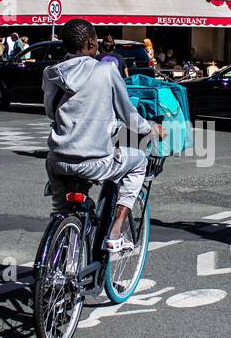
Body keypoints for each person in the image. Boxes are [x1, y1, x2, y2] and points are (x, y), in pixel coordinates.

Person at [43, 20, 157, 255]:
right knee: (139, 163)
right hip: (96, 163)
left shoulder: (51, 73)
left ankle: (59, 257)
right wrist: (150, 129)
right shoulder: (106, 70)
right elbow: (128, 115)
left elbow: (50, 111)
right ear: (91, 43)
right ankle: (115, 234)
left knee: (60, 211)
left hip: (56, 161)